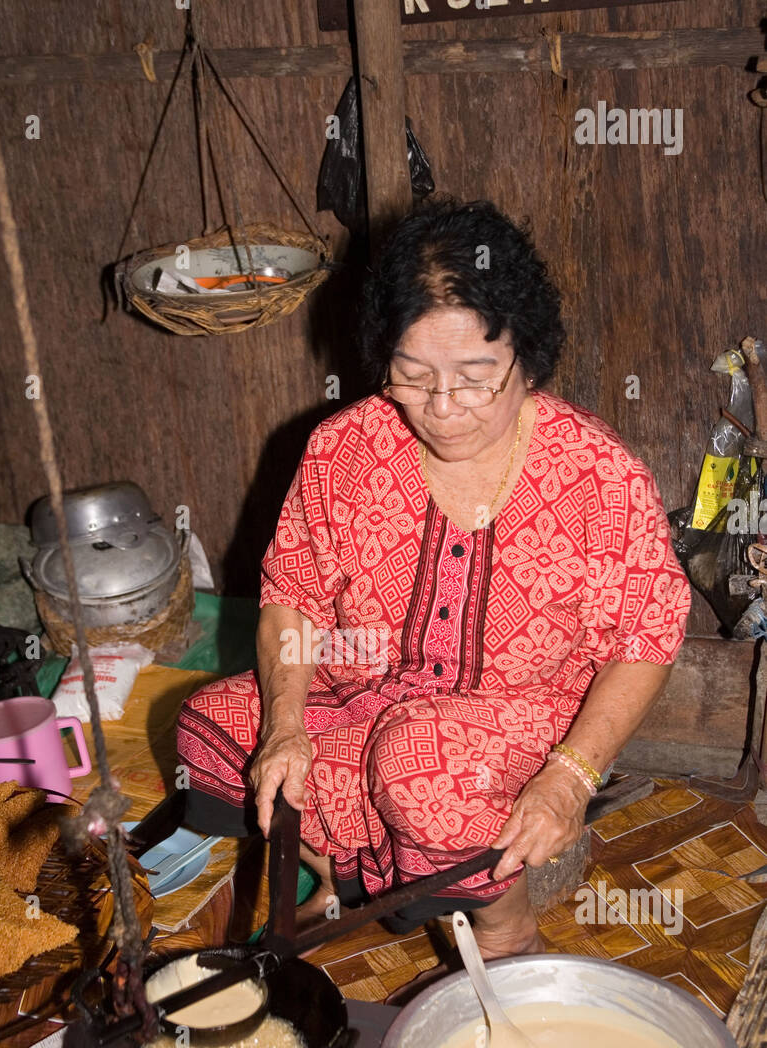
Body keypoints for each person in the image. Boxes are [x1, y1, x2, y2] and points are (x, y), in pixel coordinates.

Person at [177, 197, 690, 959]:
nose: (443, 409)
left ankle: (508, 928)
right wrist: (287, 728)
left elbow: (648, 636)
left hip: (526, 706)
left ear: (529, 355)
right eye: (412, 376)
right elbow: (293, 600)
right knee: (212, 728)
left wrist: (571, 779)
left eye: (476, 378)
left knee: (418, 769)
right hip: (366, 681)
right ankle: (342, 875)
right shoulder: (342, 449)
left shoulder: (597, 474)